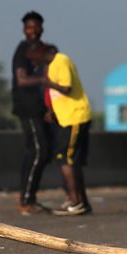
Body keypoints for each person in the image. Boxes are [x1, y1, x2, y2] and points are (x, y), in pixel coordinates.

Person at [38, 43, 92, 216]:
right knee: (71, 160)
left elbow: (66, 88)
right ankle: (81, 202)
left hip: (74, 117)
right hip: (66, 118)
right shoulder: (51, 65)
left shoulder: (60, 60)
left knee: (65, 159)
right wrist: (50, 110)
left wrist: (47, 82)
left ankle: (76, 202)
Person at [11, 11, 56, 215]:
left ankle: (29, 197)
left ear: (42, 28)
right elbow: (22, 80)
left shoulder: (45, 50)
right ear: (24, 30)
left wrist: (49, 107)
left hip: (42, 109)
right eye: (29, 27)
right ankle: (26, 200)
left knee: (38, 153)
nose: (33, 31)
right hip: (27, 108)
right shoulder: (22, 51)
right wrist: (45, 81)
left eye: (36, 27)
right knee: (39, 151)